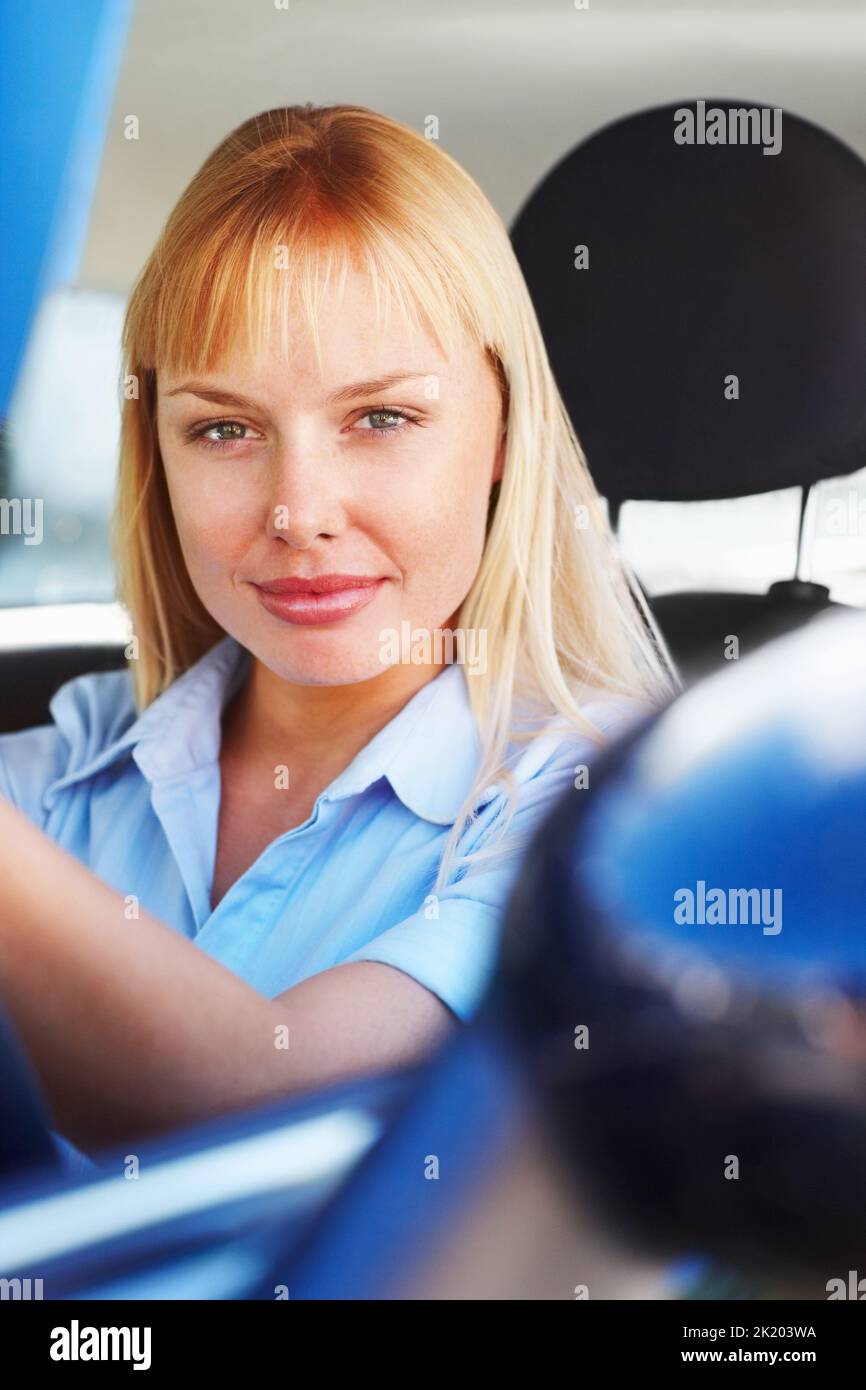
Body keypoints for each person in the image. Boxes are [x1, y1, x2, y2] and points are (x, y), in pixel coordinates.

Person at [0, 104, 676, 1169]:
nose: (298, 510)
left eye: (381, 419)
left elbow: (248, 1103)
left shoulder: (588, 814)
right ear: (157, 456)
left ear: (502, 431)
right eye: (224, 428)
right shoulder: (58, 775)